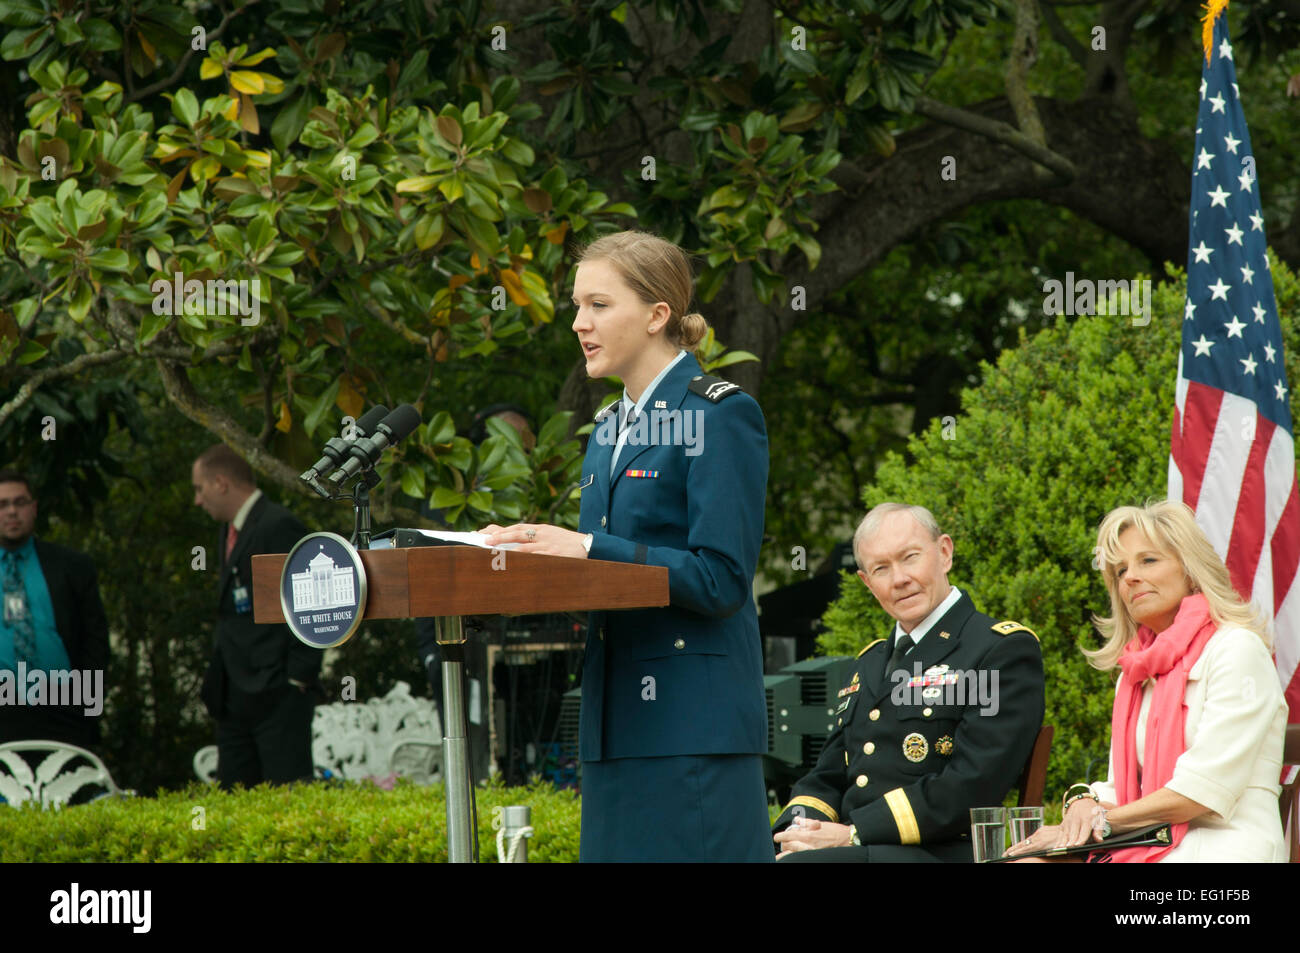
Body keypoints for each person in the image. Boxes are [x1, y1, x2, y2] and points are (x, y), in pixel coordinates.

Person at [481, 230, 771, 861]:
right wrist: (529, 557)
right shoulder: (609, 426)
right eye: (577, 308)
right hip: (614, 723)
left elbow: (720, 580)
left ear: (657, 315)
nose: (580, 324)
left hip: (692, 726)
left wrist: (583, 547)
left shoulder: (720, 415)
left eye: (599, 305)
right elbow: (604, 573)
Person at [1007, 500, 1288, 862]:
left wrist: (1097, 820)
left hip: (1224, 848)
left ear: (1190, 570)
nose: (1130, 577)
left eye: (1148, 560)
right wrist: (1083, 798)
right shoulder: (1135, 672)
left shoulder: (1237, 649)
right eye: (1120, 570)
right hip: (1147, 843)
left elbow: (1200, 792)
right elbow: (1120, 787)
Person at [772, 502, 1046, 862]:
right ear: (867, 583)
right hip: (861, 852)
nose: (899, 578)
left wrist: (855, 833)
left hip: (939, 851)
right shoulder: (869, 662)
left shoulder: (999, 649)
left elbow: (974, 783)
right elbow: (829, 773)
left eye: (910, 557)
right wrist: (797, 830)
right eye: (881, 569)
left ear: (944, 553)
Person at [192, 445, 320, 788]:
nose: (197, 500)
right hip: (235, 690)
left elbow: (309, 600)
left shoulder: (278, 525)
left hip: (277, 692)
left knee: (285, 797)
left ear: (220, 483)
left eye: (199, 488)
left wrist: (298, 676)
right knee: (235, 794)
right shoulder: (228, 529)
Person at [0, 470, 109, 750]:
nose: (12, 512)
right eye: (2, 505)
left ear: (34, 508)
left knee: (71, 789)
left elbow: (95, 640)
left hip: (62, 705)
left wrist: (87, 703)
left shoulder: (72, 566)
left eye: (20, 502)